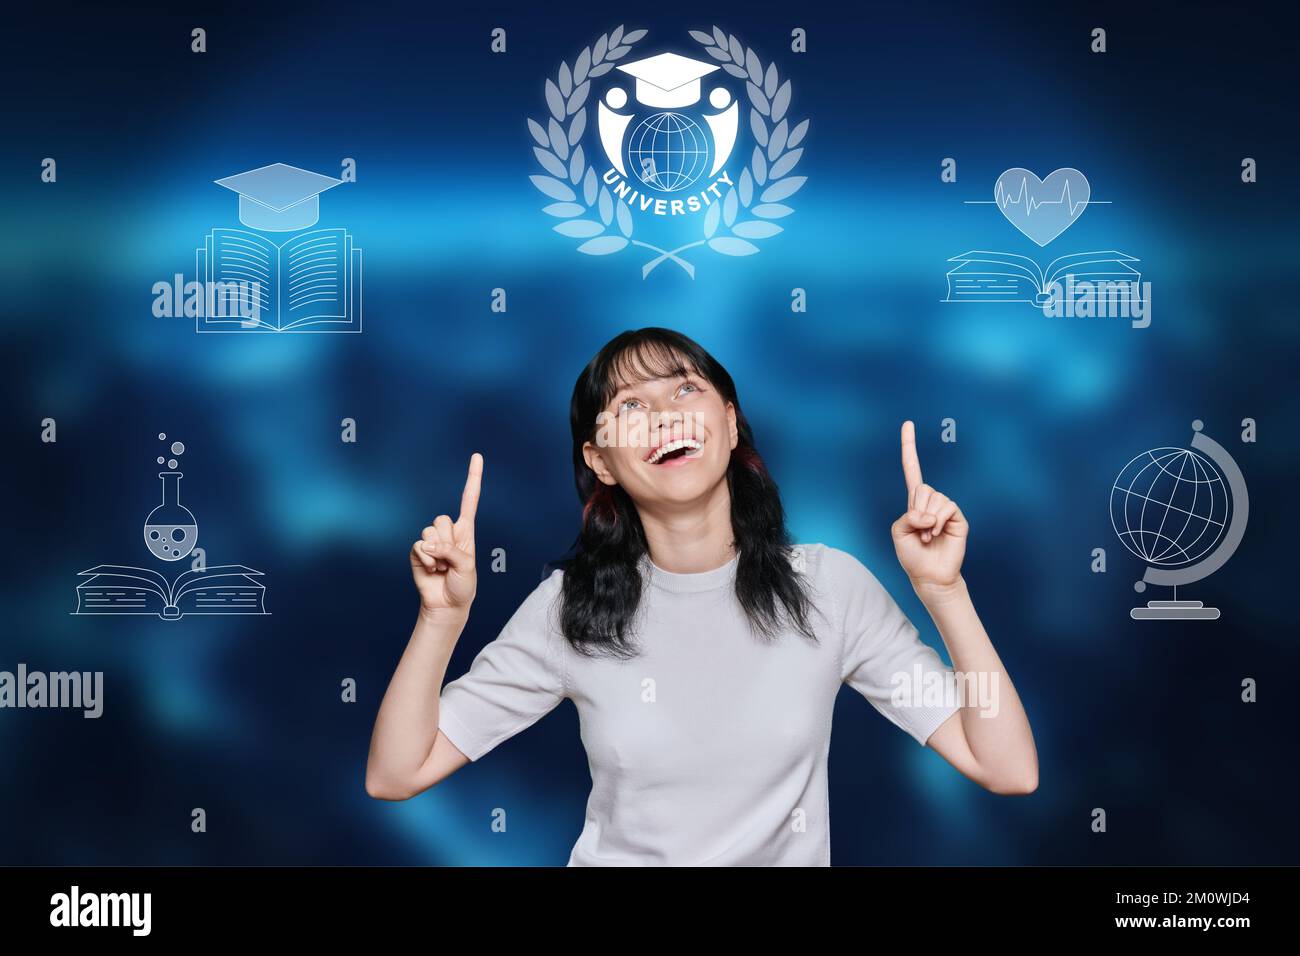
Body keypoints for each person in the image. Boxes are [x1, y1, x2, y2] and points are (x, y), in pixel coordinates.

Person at [366, 328, 1037, 865]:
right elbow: (396, 774)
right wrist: (440, 620)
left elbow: (1006, 767)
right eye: (630, 407)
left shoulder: (828, 587)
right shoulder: (569, 607)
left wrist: (944, 590)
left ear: (730, 419)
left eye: (684, 389)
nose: (663, 416)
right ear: (600, 460)